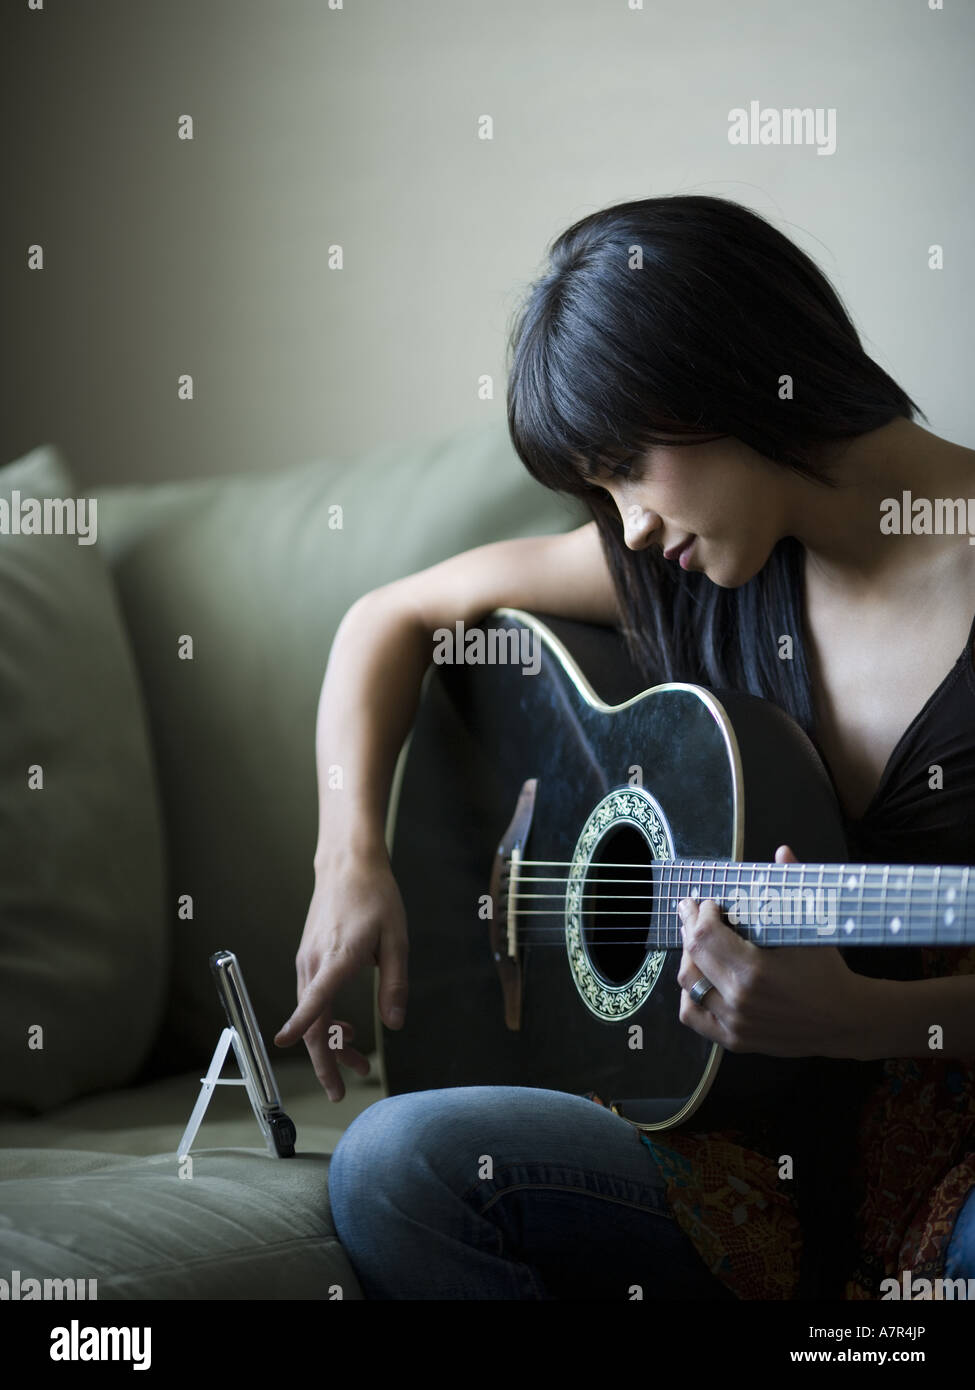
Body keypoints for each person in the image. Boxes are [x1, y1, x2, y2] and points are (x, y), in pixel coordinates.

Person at [273, 195, 975, 1300]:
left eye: (626, 467)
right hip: (725, 1155)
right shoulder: (682, 567)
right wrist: (348, 859)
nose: (629, 525)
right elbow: (390, 618)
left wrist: (861, 1020)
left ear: (726, 372)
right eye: (597, 492)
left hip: (955, 1167)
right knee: (396, 1167)